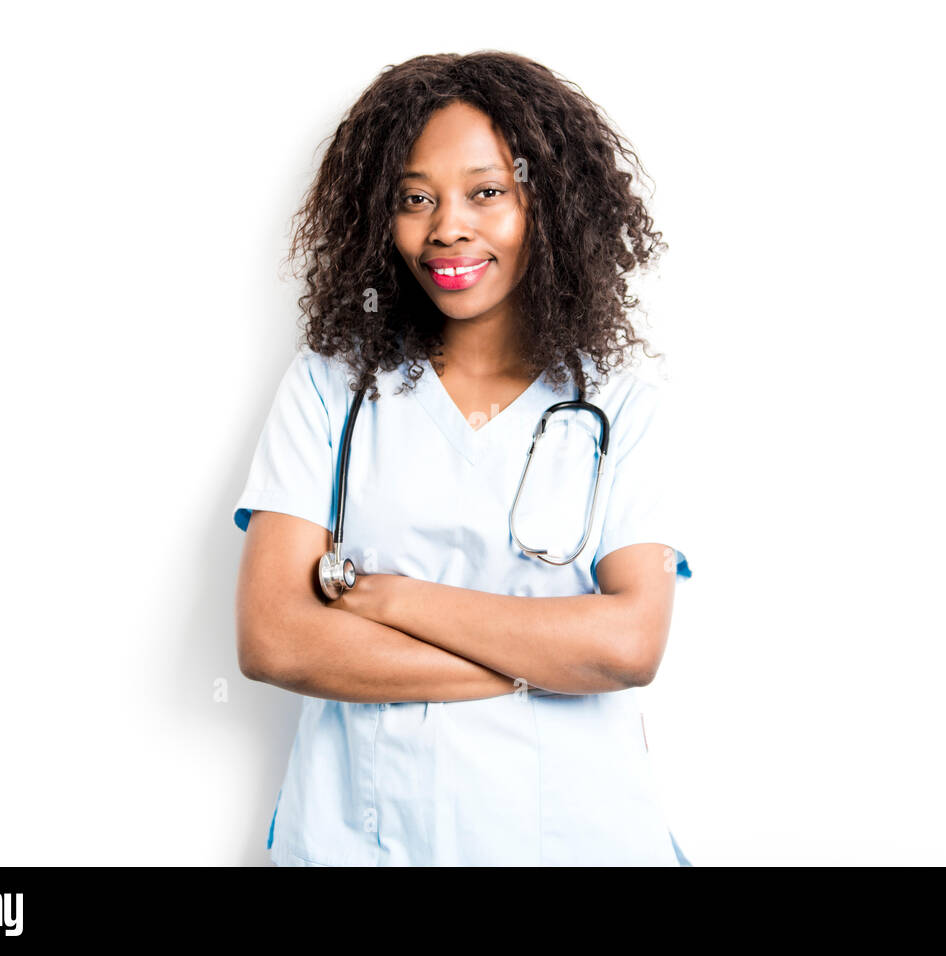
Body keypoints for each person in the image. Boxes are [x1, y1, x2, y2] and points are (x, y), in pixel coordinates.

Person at [232, 51, 692, 866]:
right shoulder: (330, 388)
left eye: (487, 192)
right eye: (415, 198)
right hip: (365, 840)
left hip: (576, 839)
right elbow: (276, 639)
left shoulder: (623, 404)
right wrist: (540, 661)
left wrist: (388, 597)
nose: (448, 226)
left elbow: (625, 645)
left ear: (546, 204)